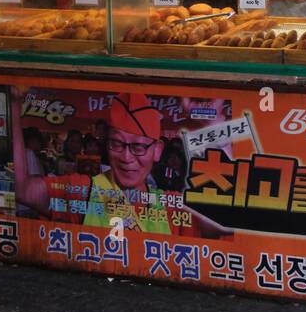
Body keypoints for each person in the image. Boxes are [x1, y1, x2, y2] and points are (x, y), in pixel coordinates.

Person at [17, 94, 228, 238]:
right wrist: (13, 104)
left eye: (138, 147)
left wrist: (215, 126)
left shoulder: (168, 205)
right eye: (117, 144)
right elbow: (25, 191)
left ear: (157, 151)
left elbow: (223, 221)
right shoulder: (84, 190)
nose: (126, 157)